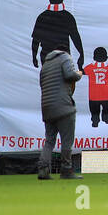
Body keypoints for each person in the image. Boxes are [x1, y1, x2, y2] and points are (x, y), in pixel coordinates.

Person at [38, 39, 83, 179]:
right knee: (66, 140)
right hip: (63, 106)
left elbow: (42, 84)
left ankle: (43, 170)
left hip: (47, 107)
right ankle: (66, 170)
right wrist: (79, 74)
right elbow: (70, 75)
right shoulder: (65, 57)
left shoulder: (45, 64)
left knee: (49, 140)